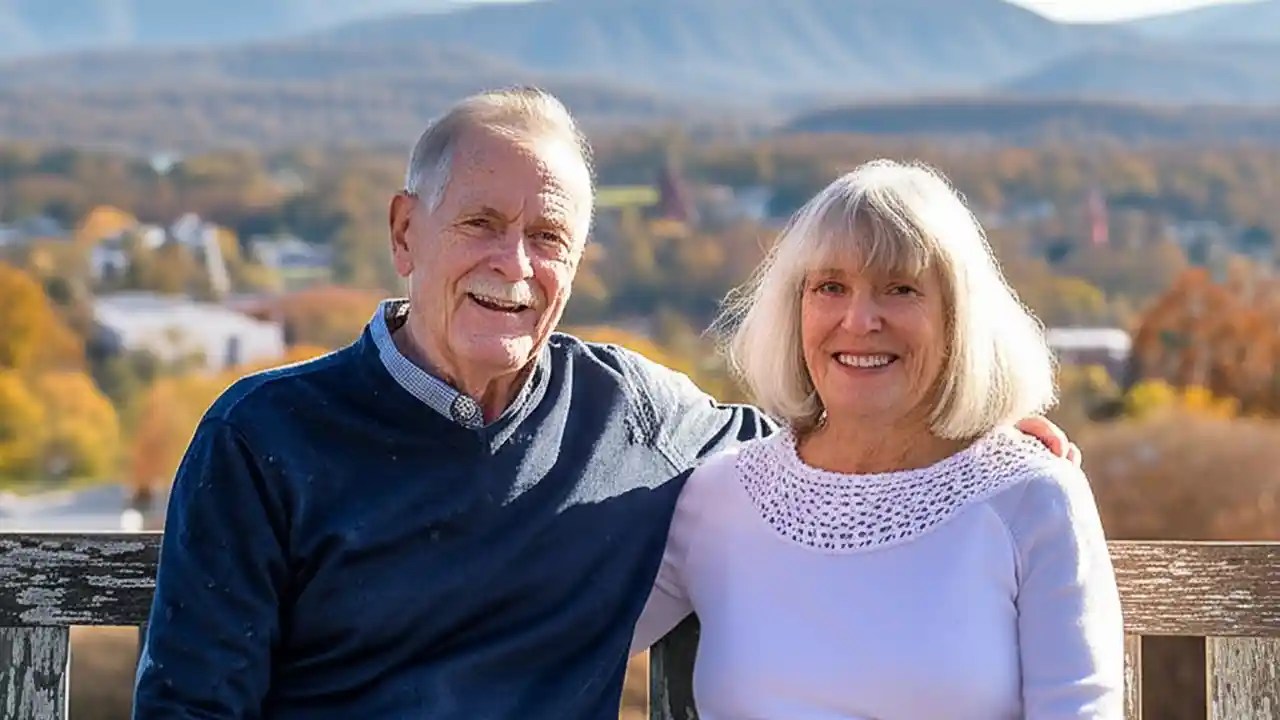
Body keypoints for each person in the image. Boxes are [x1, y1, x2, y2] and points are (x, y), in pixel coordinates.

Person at [132, 88, 1079, 719]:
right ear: (404, 230)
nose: (516, 266)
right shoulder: (265, 440)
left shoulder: (634, 419)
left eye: (550, 237)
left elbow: (823, 436)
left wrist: (969, 435)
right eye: (481, 225)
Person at [631, 160, 1124, 719]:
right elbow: (557, 636)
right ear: (796, 311)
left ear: (957, 321)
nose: (859, 319)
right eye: (831, 287)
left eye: (900, 289)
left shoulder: (1032, 499)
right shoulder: (717, 499)